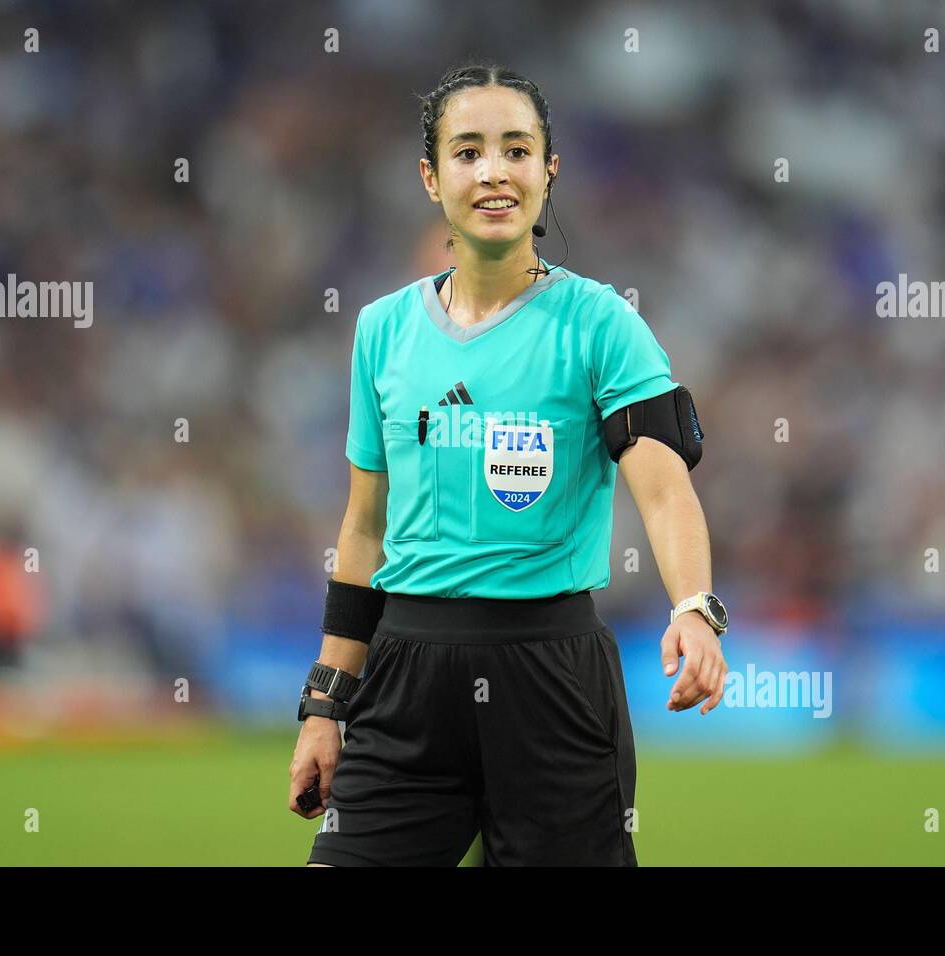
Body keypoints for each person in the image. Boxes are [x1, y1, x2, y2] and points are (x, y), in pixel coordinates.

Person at [289, 61, 729, 866]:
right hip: (403, 679)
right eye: (467, 151)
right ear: (431, 177)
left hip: (551, 678)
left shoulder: (603, 324)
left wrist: (694, 607)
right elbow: (363, 530)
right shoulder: (381, 331)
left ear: (548, 170)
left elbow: (664, 493)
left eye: (517, 149)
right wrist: (326, 704)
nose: (494, 171)